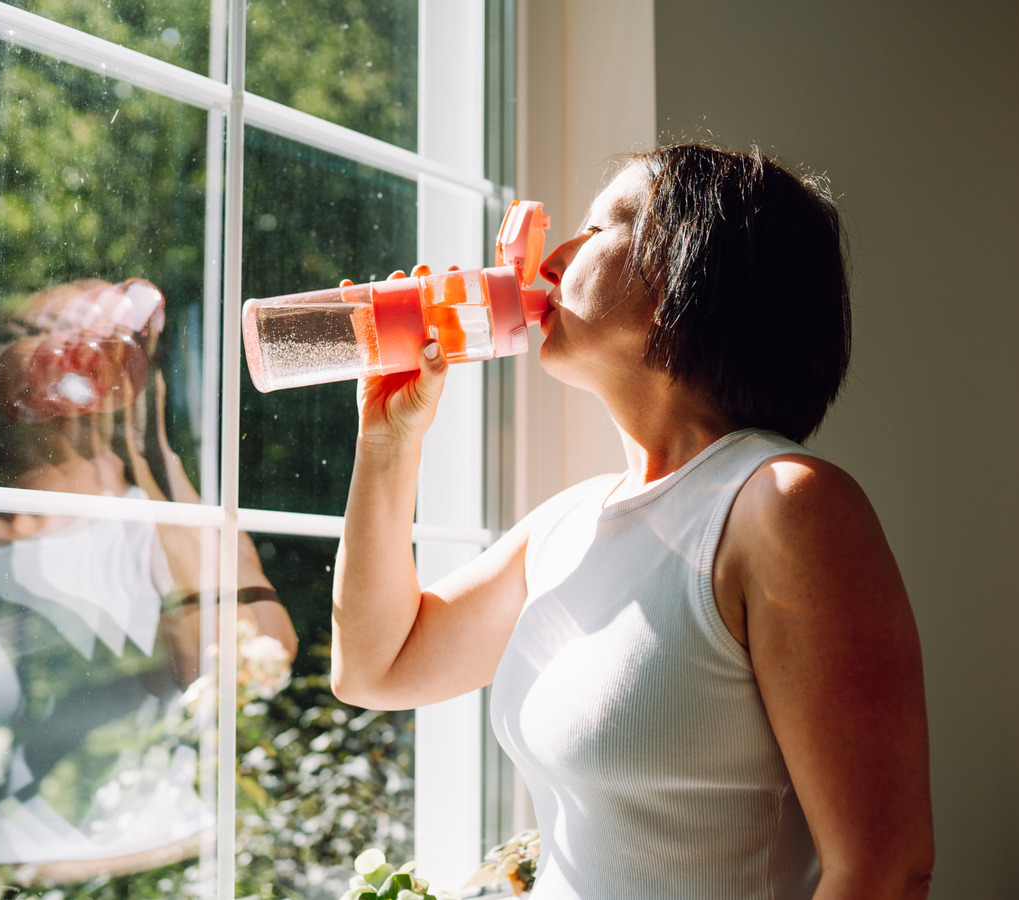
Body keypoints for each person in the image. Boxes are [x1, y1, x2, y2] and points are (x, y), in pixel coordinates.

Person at [330, 144, 933, 899]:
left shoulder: (785, 505)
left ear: (693, 272)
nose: (553, 258)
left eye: (598, 227)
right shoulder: (568, 525)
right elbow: (375, 667)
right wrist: (388, 443)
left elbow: (882, 871)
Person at [0, 278, 296, 881]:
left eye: (88, 338)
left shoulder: (166, 528)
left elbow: (247, 674)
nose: (67, 353)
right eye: (33, 333)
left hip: (152, 877)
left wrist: (150, 448)